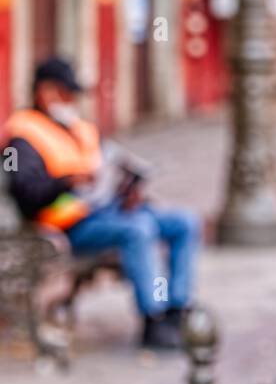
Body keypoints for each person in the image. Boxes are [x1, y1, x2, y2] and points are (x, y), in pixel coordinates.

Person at [3, 57, 201, 350]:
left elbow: (106, 163)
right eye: (67, 94)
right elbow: (24, 192)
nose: (72, 101)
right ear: (46, 92)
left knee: (184, 222)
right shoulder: (22, 136)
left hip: (109, 209)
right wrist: (67, 182)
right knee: (138, 229)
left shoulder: (79, 128)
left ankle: (177, 308)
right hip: (69, 224)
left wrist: (127, 188)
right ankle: (154, 317)